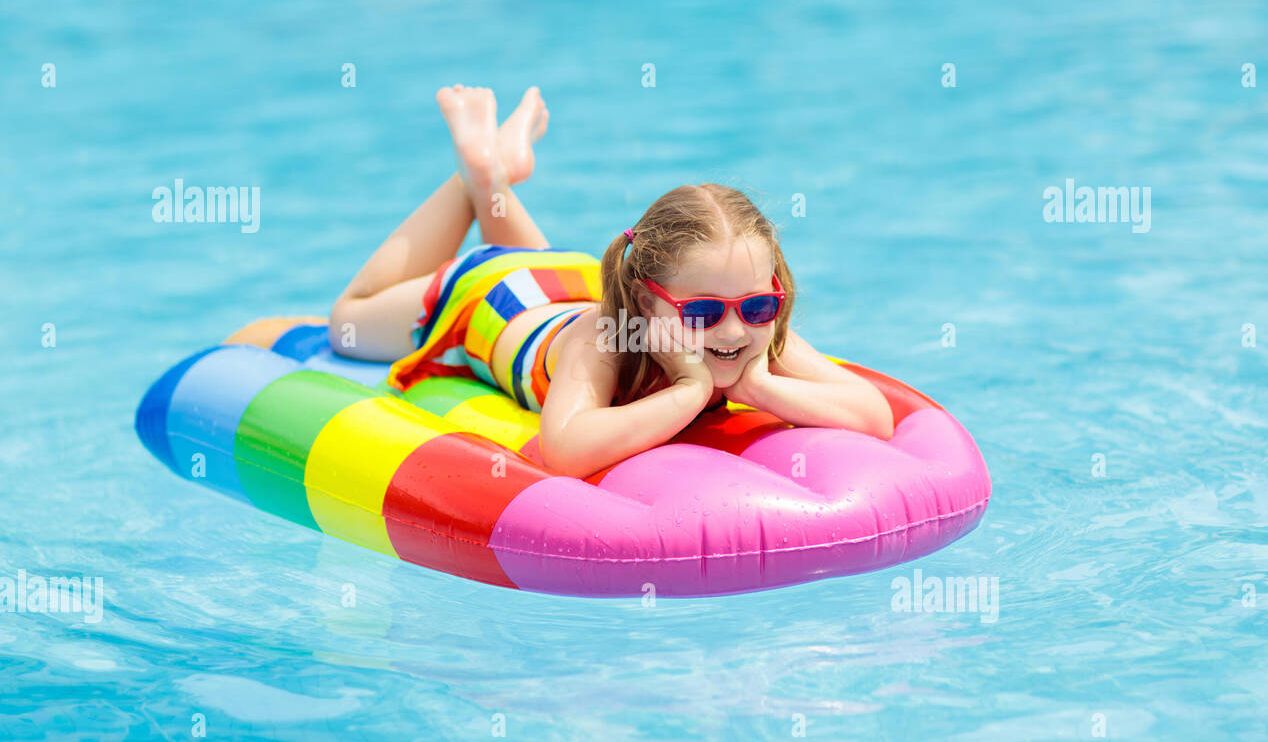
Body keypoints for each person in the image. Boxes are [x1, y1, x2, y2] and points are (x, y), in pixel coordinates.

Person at [330, 85, 893, 478]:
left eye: (757, 307)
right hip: (497, 300)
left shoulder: (751, 329)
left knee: (539, 258)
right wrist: (691, 392)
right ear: (647, 304)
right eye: (701, 315)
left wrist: (759, 387)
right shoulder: (607, 341)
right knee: (348, 322)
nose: (731, 330)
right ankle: (474, 177)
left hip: (568, 279)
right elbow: (567, 450)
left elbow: (874, 415)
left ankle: (496, 177)